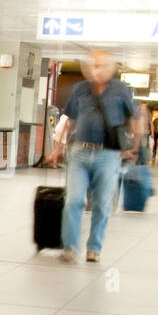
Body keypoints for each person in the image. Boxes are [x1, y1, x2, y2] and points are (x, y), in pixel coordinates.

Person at [46, 50, 136, 263]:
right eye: (94, 65)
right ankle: (70, 247)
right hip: (79, 152)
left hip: (108, 155)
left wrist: (130, 145)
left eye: (102, 65)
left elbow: (131, 118)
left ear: (111, 68)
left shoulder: (121, 90)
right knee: (74, 200)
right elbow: (70, 120)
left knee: (102, 204)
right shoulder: (80, 89)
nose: (97, 69)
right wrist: (58, 149)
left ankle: (94, 247)